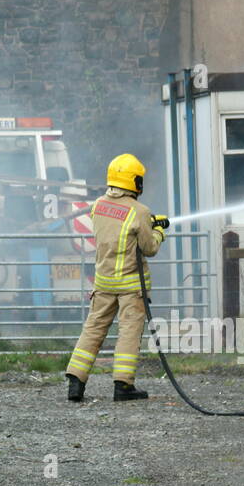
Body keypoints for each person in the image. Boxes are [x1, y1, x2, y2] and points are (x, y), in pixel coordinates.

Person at [64, 153, 169, 402]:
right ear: (134, 181)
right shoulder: (140, 211)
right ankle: (123, 387)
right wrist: (157, 230)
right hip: (131, 285)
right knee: (129, 332)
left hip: (103, 282)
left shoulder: (99, 204)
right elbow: (149, 248)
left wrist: (145, 224)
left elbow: (117, 226)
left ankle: (75, 383)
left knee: (93, 329)